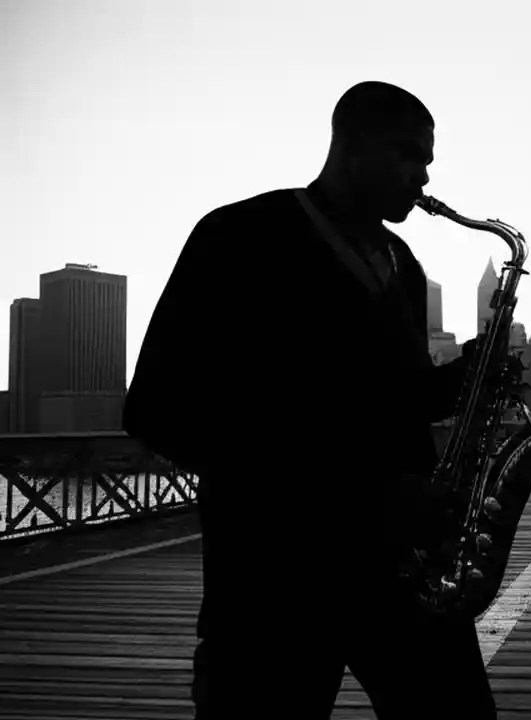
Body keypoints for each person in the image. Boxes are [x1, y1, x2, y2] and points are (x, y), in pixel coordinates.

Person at [124, 81, 502, 719]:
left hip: (404, 572)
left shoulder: (401, 263)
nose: (425, 173)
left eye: (429, 159)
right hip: (273, 585)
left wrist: (464, 378)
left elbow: (395, 404)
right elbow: (157, 410)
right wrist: (355, 492)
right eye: (409, 154)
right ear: (350, 147)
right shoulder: (240, 235)